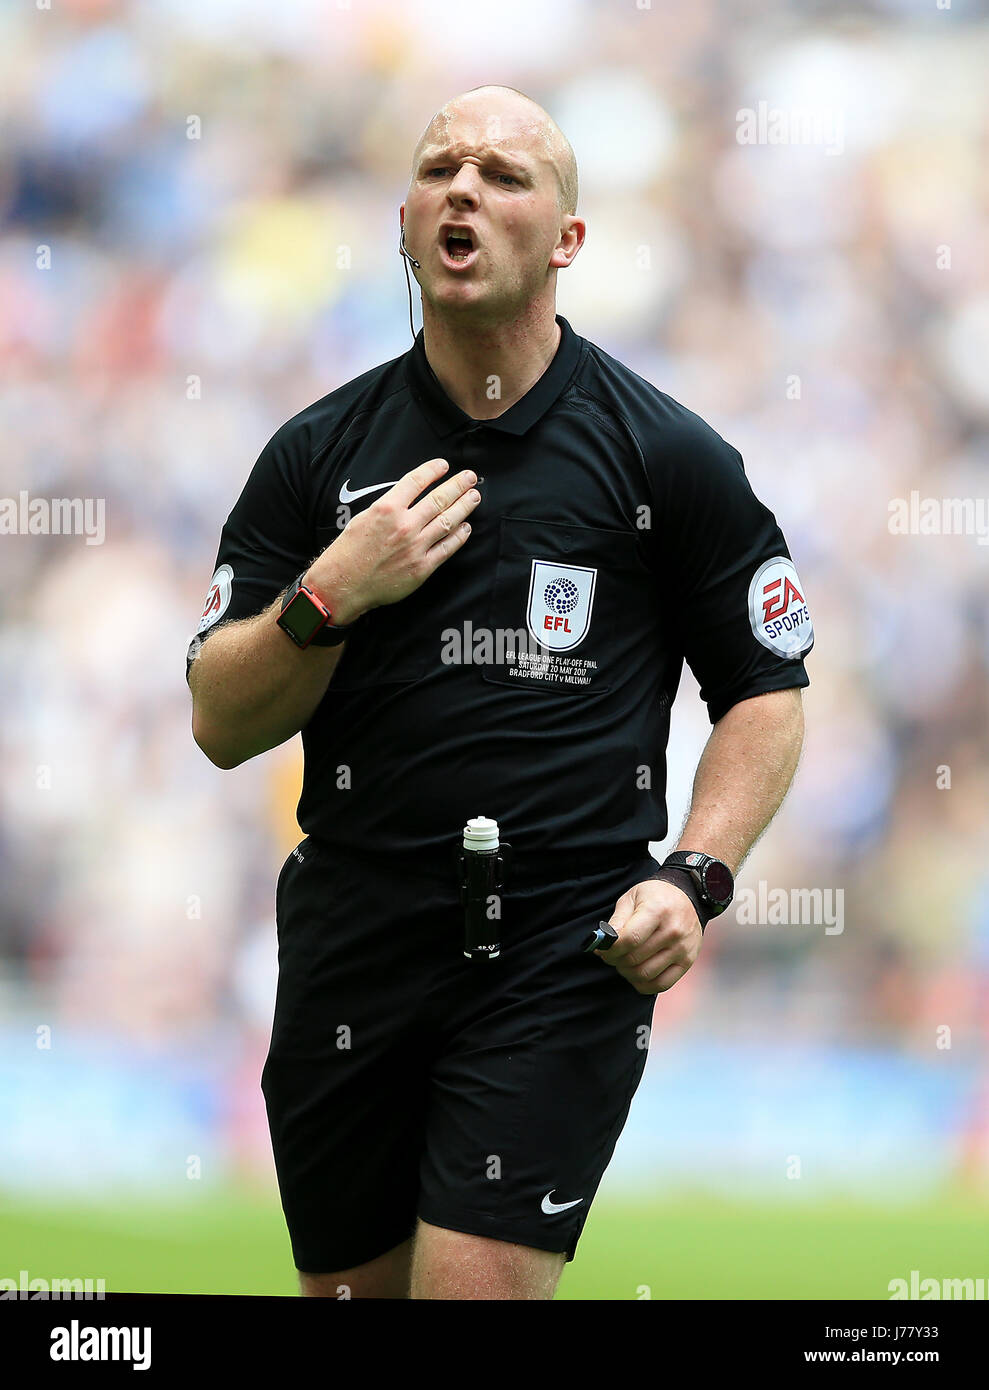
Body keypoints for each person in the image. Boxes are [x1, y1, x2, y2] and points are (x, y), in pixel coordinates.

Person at [186, 85, 813, 1300]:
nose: (462, 189)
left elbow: (765, 689)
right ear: (405, 223)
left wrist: (694, 875)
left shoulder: (663, 454)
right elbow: (219, 721)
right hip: (353, 940)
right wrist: (329, 594)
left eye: (503, 174)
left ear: (567, 240)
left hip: (556, 947)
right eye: (438, 170)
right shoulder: (316, 455)